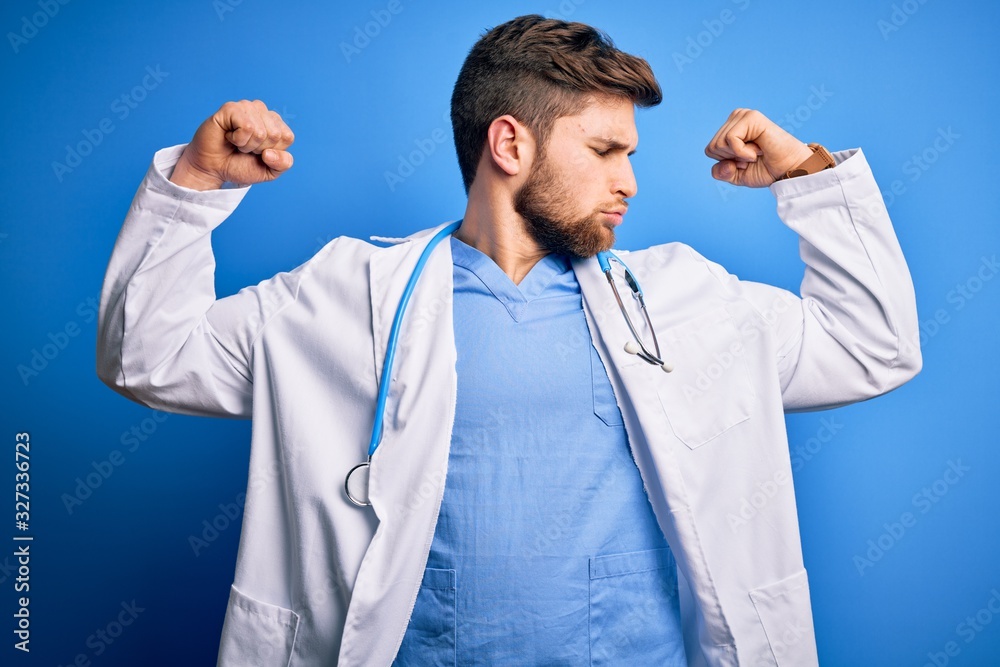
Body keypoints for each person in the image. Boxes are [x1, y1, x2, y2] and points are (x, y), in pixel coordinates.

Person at [97, 14, 920, 667]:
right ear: (509, 143)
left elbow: (873, 344)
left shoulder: (685, 300)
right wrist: (197, 183)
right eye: (604, 151)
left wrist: (806, 174)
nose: (630, 181)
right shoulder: (348, 296)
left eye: (630, 154)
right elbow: (147, 356)